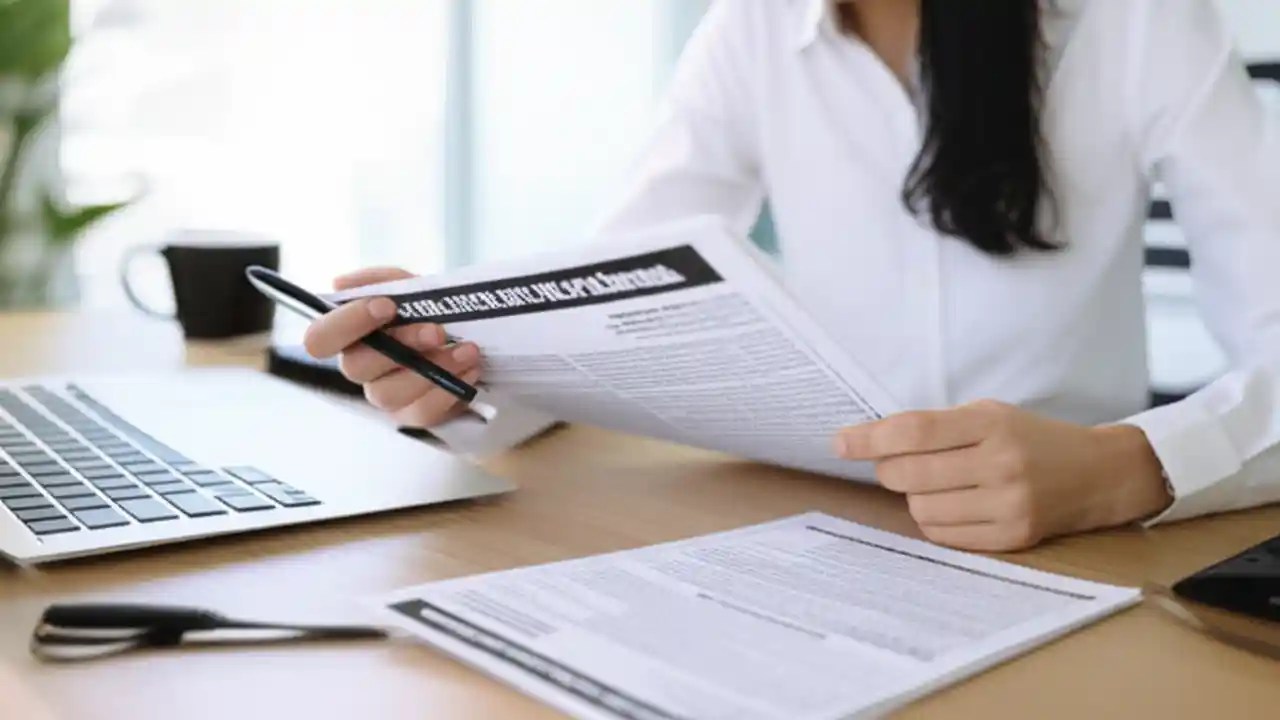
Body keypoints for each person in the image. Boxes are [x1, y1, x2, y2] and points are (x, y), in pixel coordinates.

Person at [302, 0, 1280, 551]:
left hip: (1077, 543)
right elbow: (613, 300)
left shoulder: (1142, 25)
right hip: (819, 528)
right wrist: (455, 367)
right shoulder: (748, 33)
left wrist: (1127, 467)